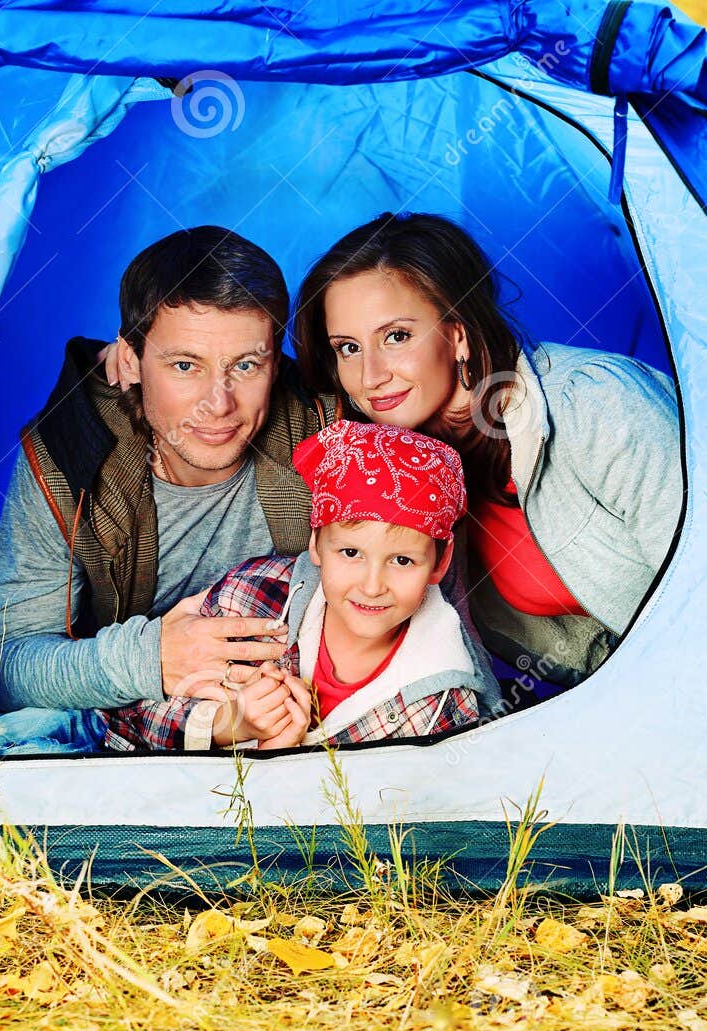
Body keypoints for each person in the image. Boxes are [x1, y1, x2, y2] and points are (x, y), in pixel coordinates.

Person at [292, 212, 683, 688]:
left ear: (457, 336)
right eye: (348, 347)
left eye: (397, 336)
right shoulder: (389, 467)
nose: (370, 376)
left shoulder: (595, 403)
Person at [0, 226, 334, 714]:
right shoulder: (67, 456)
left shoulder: (328, 431)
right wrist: (153, 658)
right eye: (186, 366)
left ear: (276, 363)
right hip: (130, 733)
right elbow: (5, 670)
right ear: (129, 360)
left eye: (247, 365)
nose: (220, 403)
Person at [100, 420, 492, 750]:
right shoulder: (251, 597)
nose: (372, 586)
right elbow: (123, 719)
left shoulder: (447, 701)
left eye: (402, 561)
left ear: (440, 562)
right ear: (316, 542)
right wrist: (229, 723)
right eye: (351, 553)